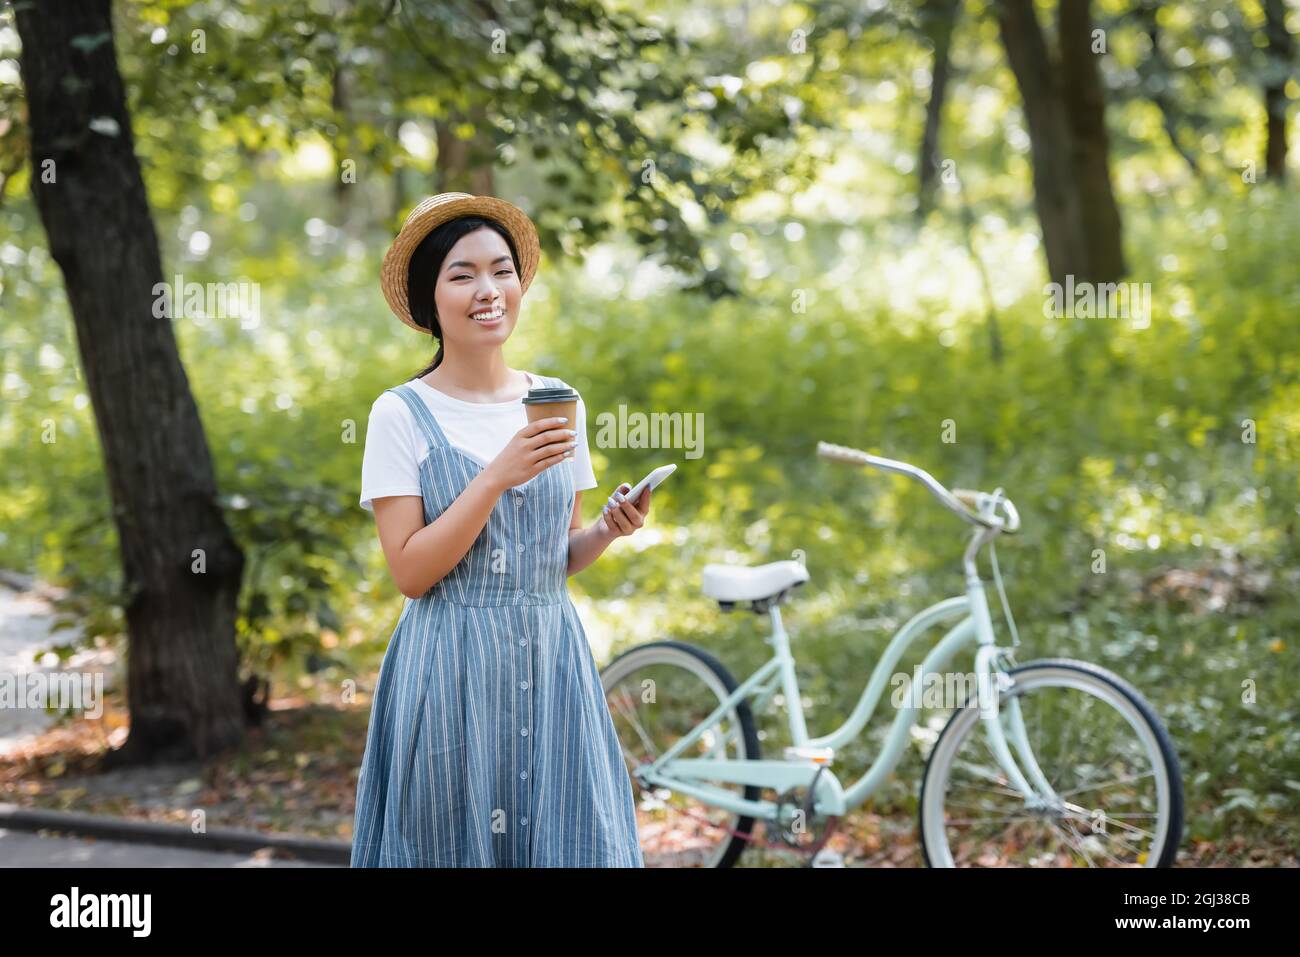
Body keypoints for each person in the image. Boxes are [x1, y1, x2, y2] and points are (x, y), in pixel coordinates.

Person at [351, 192, 649, 867]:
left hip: (551, 663)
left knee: (566, 839)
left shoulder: (557, 399)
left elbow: (555, 557)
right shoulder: (400, 414)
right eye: (462, 274)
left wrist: (607, 528)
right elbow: (411, 571)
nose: (488, 290)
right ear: (431, 300)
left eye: (501, 270)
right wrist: (492, 478)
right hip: (449, 672)